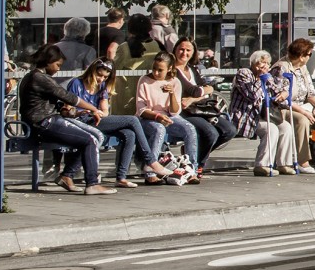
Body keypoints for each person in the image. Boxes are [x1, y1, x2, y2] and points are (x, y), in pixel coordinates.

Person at [69, 59, 179, 187]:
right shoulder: (76, 83)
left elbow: (105, 111)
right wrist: (86, 112)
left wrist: (98, 113)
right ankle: (150, 161)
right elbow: (69, 109)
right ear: (92, 71)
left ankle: (121, 177)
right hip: (82, 121)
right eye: (99, 75)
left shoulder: (102, 86)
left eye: (105, 77)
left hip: (97, 119)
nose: (101, 79)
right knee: (133, 120)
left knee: (129, 134)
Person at [19, 46, 112, 195]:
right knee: (90, 140)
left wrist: (70, 110)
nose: (58, 69)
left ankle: (67, 176)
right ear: (48, 61)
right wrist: (94, 109)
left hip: (43, 121)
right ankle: (92, 183)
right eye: (57, 65)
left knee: (89, 137)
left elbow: (56, 102)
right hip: (44, 123)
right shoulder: (39, 77)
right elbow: (69, 97)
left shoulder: (33, 76)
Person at [170, 38, 236, 170]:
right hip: (184, 112)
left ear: (193, 52)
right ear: (175, 50)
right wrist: (204, 91)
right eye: (181, 49)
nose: (184, 53)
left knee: (229, 130)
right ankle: (197, 165)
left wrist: (195, 97)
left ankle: (196, 154)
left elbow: (207, 90)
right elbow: (195, 90)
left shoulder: (192, 69)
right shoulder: (173, 71)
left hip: (201, 109)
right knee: (211, 133)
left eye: (188, 50)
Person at [274, 38, 315, 173]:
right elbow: (282, 99)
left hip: (304, 106)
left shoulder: (302, 68)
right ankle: (303, 161)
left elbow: (311, 92)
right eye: (309, 54)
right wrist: (304, 112)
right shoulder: (281, 68)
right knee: (302, 120)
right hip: (285, 109)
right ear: (301, 56)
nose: (310, 57)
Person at [136, 53, 202, 182]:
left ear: (169, 69)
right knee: (158, 129)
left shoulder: (175, 82)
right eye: (154, 68)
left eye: (160, 70)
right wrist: (157, 116)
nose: (156, 72)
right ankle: (151, 172)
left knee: (189, 129)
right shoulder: (144, 80)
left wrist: (172, 94)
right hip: (149, 117)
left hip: (168, 116)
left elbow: (174, 111)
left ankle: (191, 170)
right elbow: (141, 110)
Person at [229, 50, 297, 175]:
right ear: (254, 63)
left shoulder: (268, 76)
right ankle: (262, 165)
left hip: (264, 116)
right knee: (271, 129)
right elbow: (252, 95)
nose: (264, 66)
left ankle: (283, 163)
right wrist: (262, 79)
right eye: (261, 63)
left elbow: (276, 91)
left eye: (267, 63)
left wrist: (283, 94)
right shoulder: (244, 73)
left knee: (286, 127)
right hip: (246, 117)